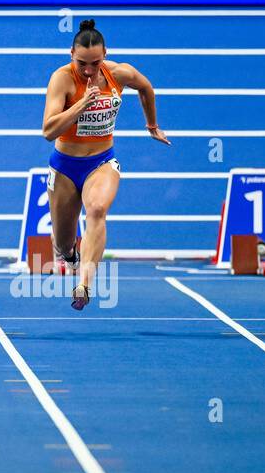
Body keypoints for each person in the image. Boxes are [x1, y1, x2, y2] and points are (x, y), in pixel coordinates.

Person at [42, 19, 170, 309]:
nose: (88, 70)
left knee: (97, 210)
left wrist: (152, 125)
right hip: (64, 166)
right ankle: (70, 252)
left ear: (106, 55)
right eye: (82, 63)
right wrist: (80, 106)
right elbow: (48, 130)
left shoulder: (119, 74)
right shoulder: (61, 79)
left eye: (95, 63)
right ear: (70, 54)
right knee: (63, 245)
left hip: (101, 162)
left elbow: (146, 88)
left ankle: (83, 285)